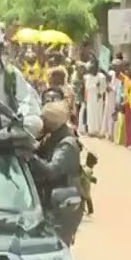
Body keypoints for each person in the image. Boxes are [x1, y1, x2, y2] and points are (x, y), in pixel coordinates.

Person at [28, 100, 83, 245]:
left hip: (64, 204)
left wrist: (31, 157)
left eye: (44, 120)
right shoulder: (52, 137)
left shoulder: (67, 144)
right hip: (53, 200)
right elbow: (38, 148)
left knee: (59, 244)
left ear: (51, 123)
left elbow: (52, 170)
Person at [82, 61, 107, 136]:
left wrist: (100, 92)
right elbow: (87, 87)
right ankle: (91, 130)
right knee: (91, 113)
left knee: (98, 112)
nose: (92, 71)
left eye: (93, 69)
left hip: (98, 97)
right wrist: (95, 85)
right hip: (91, 97)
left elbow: (104, 87)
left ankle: (98, 130)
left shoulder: (101, 76)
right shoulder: (88, 77)